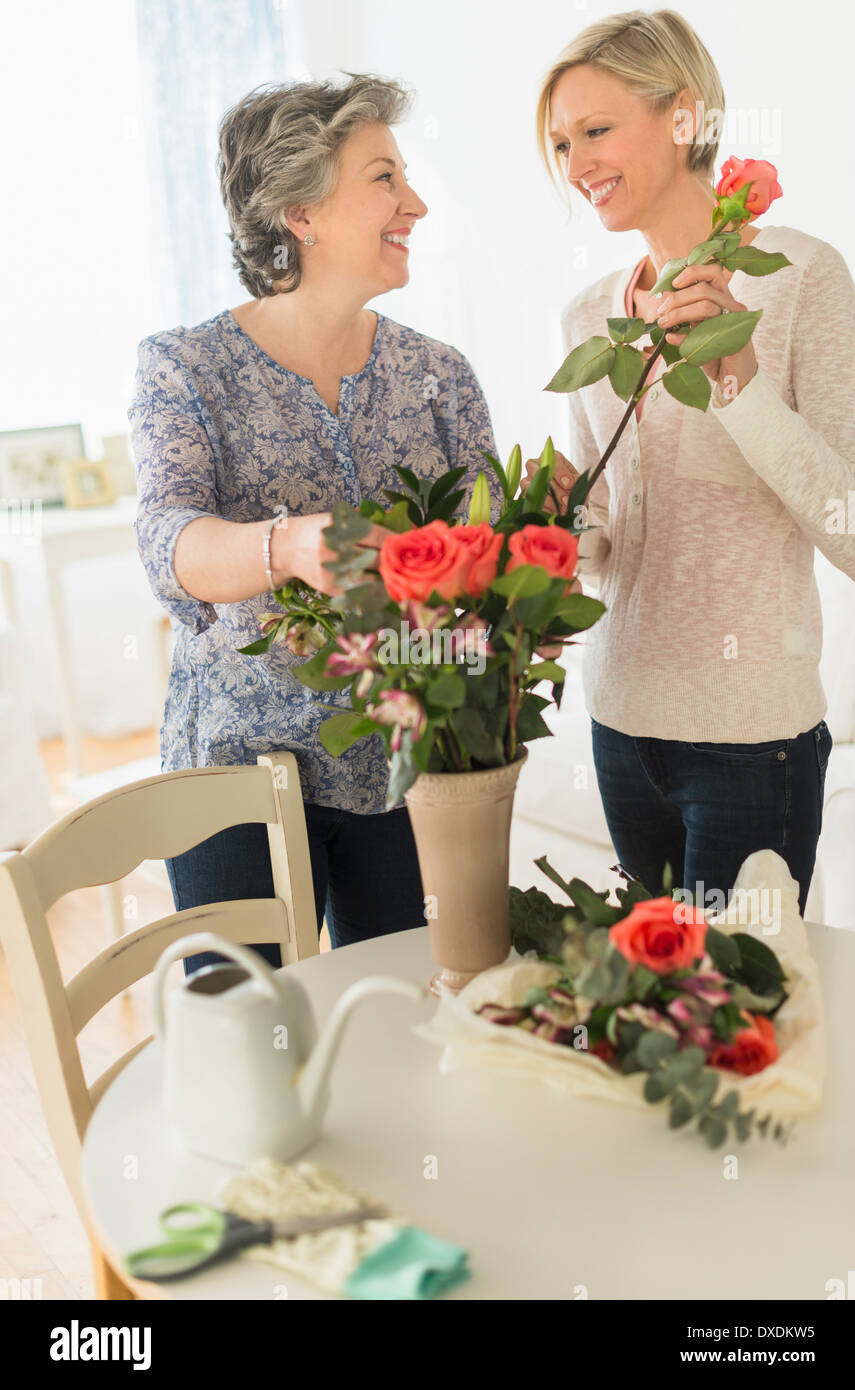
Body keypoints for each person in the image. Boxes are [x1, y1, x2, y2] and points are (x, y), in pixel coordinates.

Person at [129, 74, 500, 969]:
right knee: (244, 1034)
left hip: (404, 764)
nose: (412, 203)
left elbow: (488, 561)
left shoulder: (438, 375)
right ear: (299, 212)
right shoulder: (185, 366)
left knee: (412, 1020)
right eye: (383, 179)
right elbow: (167, 543)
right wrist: (290, 544)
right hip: (235, 772)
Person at [524, 9, 855, 917]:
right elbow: (606, 544)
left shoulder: (800, 278)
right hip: (618, 724)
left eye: (596, 130)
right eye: (562, 143)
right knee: (652, 1022)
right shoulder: (587, 318)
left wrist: (737, 383)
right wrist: (557, 524)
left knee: (745, 1031)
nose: (577, 163)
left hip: (750, 741)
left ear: (683, 118)